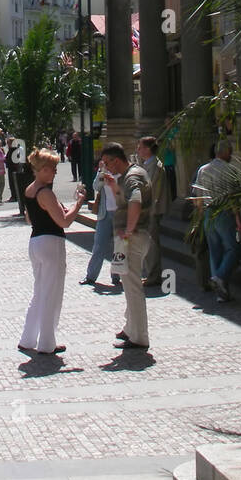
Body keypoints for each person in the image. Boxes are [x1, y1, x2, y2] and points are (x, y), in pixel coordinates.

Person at [18, 149, 86, 356]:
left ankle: (28, 338)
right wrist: (78, 205)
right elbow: (64, 222)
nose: (56, 172)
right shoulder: (45, 192)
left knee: (39, 292)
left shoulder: (30, 189)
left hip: (36, 241)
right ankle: (47, 343)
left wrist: (53, 211)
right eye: (53, 169)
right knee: (52, 294)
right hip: (51, 242)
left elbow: (29, 218)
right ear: (43, 169)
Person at [100, 143, 152, 351]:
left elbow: (135, 201)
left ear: (116, 160)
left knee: (132, 287)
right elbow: (128, 199)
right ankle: (130, 328)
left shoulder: (132, 177)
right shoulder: (132, 174)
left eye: (107, 163)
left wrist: (129, 230)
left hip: (133, 237)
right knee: (128, 284)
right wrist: (114, 188)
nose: (106, 167)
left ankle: (139, 336)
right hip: (133, 236)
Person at [192, 140, 240, 302]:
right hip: (224, 211)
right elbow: (234, 198)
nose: (231, 155)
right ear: (225, 152)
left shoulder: (203, 170)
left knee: (215, 251)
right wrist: (238, 220)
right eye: (230, 152)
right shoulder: (230, 169)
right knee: (233, 248)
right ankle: (220, 277)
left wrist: (199, 217)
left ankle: (221, 291)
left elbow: (197, 197)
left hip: (207, 214)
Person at [138, 136, 170, 287]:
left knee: (151, 244)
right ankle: (150, 273)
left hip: (151, 209)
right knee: (147, 243)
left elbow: (151, 190)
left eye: (141, 147)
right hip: (145, 209)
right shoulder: (145, 165)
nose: (138, 150)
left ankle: (153, 275)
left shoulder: (156, 166)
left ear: (148, 149)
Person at [79, 160, 115, 287]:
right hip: (104, 213)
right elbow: (95, 187)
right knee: (98, 246)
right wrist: (101, 172)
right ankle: (91, 276)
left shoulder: (122, 171)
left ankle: (116, 275)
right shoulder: (103, 172)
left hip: (118, 213)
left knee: (119, 246)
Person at [6, 136, 26, 211]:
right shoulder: (12, 149)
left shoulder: (15, 150)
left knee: (13, 183)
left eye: (8, 143)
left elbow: (16, 159)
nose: (7, 144)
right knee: (11, 183)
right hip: (11, 168)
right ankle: (13, 195)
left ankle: (15, 196)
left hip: (14, 168)